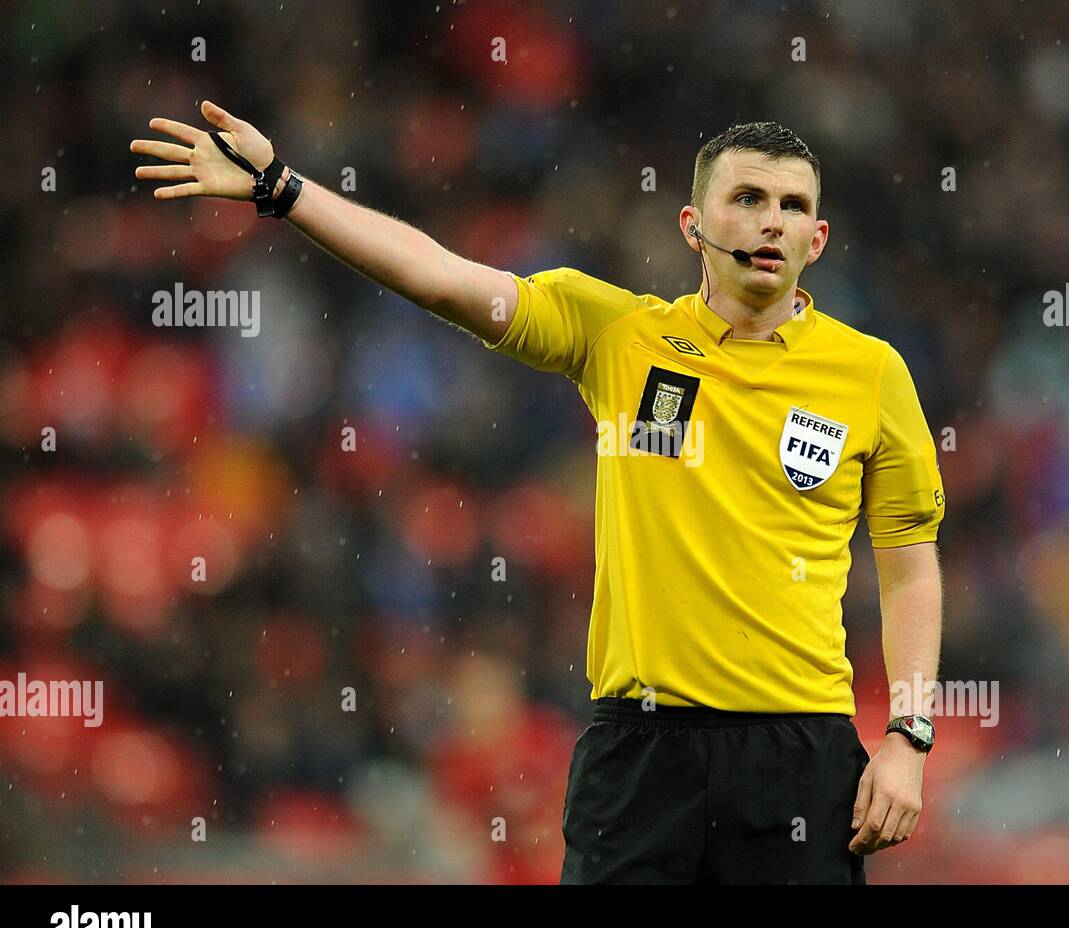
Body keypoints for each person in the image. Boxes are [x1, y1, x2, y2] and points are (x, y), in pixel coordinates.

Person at [130, 104, 945, 884]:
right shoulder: (617, 334)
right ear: (693, 228)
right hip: (640, 754)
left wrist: (907, 735)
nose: (773, 221)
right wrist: (285, 191)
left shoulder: (870, 373)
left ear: (819, 236)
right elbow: (441, 278)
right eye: (748, 198)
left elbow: (910, 568)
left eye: (793, 205)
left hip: (797, 753)